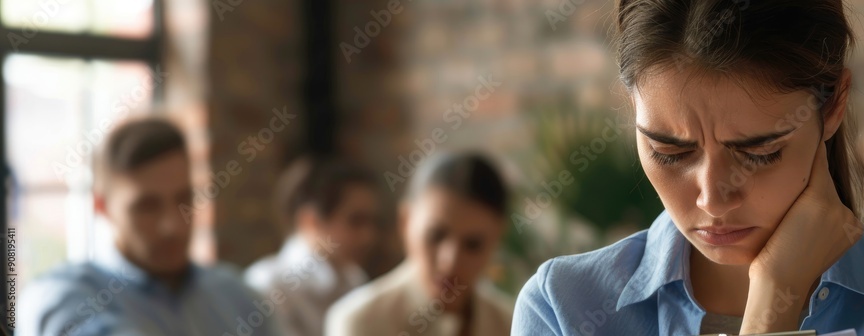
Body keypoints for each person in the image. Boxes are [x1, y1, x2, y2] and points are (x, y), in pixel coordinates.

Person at [512, 0, 864, 335]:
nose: (712, 198)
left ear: (834, 104)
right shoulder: (564, 310)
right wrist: (771, 309)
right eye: (670, 152)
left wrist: (778, 298)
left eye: (759, 152)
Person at [18, 118, 278, 336]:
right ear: (102, 206)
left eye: (184, 199)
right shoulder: (63, 297)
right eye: (147, 207)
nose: (172, 226)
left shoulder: (239, 298)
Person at [325, 152, 513, 336]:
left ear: (497, 238)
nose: (450, 262)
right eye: (436, 236)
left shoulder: (514, 324)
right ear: (405, 221)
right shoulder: (359, 323)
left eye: (473, 244)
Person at [244, 157, 379, 336]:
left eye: (371, 221)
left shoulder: (353, 279)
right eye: (355, 221)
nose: (368, 237)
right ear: (310, 221)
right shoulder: (268, 284)